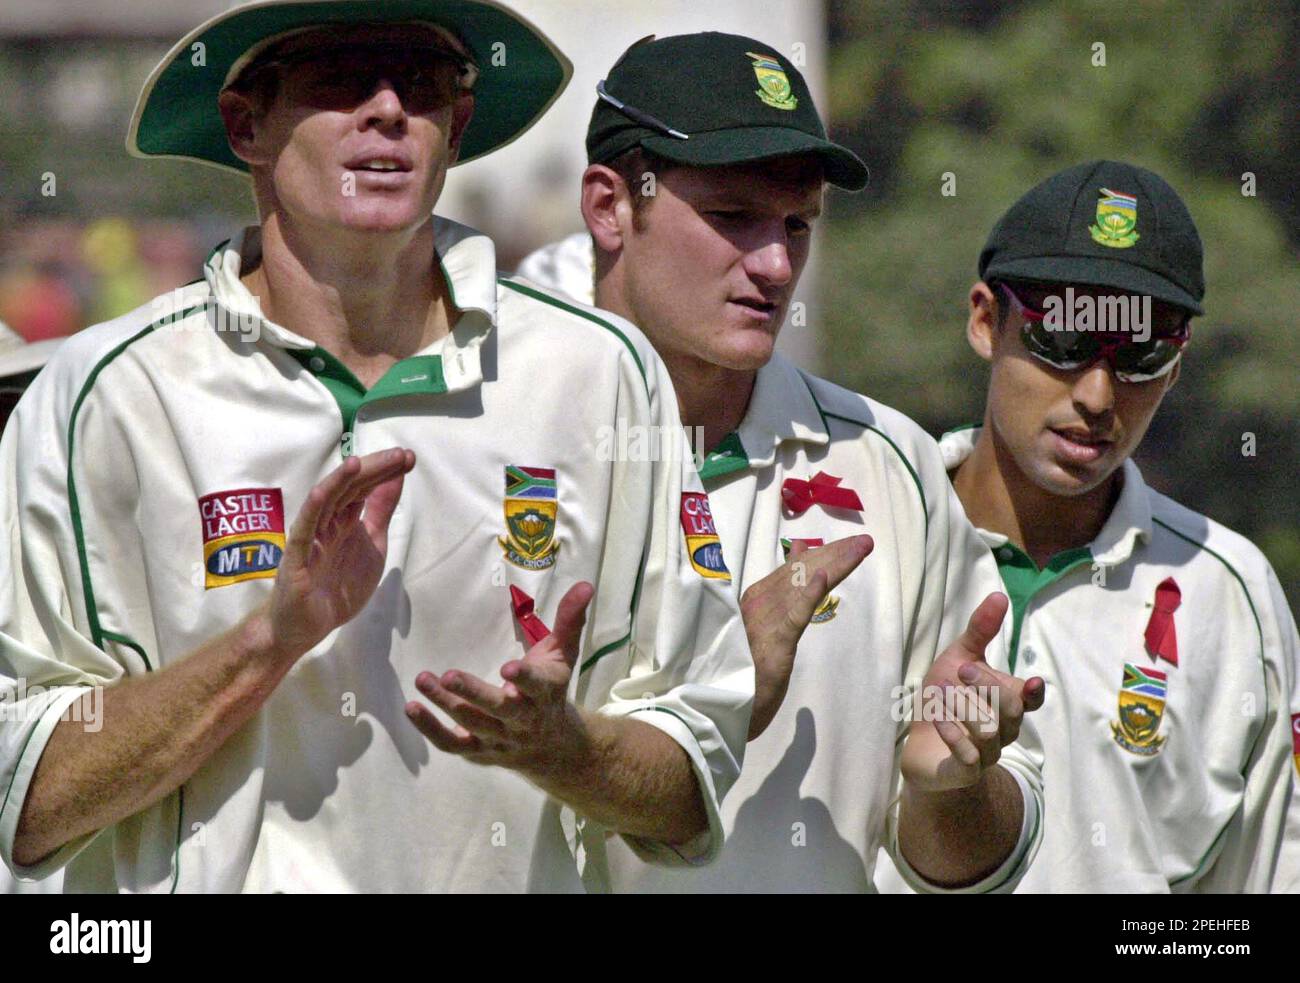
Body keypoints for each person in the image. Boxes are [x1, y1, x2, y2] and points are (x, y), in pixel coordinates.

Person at [0, 1, 755, 893]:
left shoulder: (601, 371)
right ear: (245, 124)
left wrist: (566, 749)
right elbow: (29, 800)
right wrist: (271, 642)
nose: (390, 108)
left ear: (458, 126)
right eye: (343, 78)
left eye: (424, 84)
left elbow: (692, 781)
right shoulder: (105, 393)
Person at [517, 32, 1046, 892]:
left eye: (797, 224)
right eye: (731, 216)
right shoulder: (485, 436)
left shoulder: (892, 468)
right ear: (610, 205)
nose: (774, 263)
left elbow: (968, 863)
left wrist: (950, 785)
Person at [921, 159, 1300, 891]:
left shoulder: (1233, 592)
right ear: (982, 319)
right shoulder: (874, 531)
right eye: (1062, 340)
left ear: (1179, 367)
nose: (1098, 394)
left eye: (1142, 355)